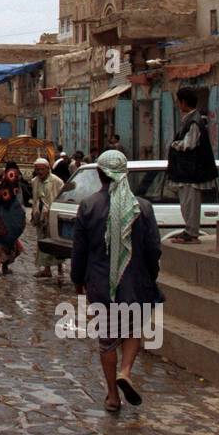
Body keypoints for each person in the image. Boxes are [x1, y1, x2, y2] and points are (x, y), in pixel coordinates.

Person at [70, 150, 163, 413]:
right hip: (136, 282)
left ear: (100, 174)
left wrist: (78, 280)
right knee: (133, 329)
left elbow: (79, 251)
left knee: (107, 339)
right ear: (125, 174)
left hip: (101, 283)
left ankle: (112, 396)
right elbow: (153, 248)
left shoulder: (88, 206)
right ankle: (126, 371)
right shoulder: (142, 207)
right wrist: (151, 275)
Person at [167, 87, 218, 244]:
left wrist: (174, 145)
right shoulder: (190, 119)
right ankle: (189, 230)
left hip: (191, 171)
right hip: (187, 171)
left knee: (190, 203)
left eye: (179, 102)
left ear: (183, 102)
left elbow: (189, 144)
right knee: (187, 203)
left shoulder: (194, 121)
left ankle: (191, 233)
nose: (178, 105)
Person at [0, 162, 30, 277]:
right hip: (10, 228)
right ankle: (4, 266)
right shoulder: (15, 190)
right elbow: (20, 207)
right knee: (9, 245)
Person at [28, 157, 66, 280]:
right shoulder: (34, 181)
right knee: (42, 241)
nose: (40, 172)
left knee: (56, 242)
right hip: (40, 216)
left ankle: (60, 268)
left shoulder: (57, 181)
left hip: (53, 215)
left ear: (48, 169)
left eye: (42, 169)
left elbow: (63, 196)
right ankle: (46, 269)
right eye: (37, 169)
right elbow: (35, 199)